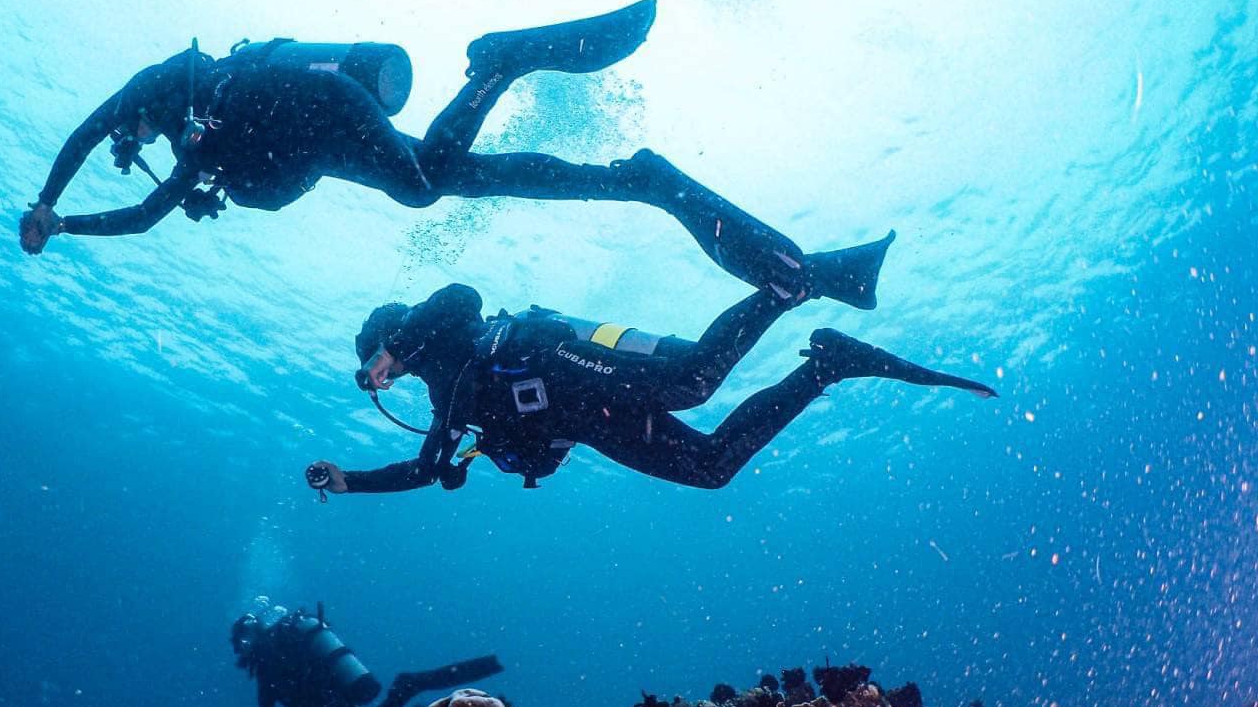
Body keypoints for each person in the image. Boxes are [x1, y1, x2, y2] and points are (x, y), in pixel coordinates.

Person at [17, 0, 891, 313]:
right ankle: (642, 182)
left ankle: (503, 61)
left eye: (125, 138)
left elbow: (87, 138)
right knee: (459, 176)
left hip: (324, 107)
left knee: (427, 188)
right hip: (324, 140)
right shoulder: (185, 146)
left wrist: (49, 203)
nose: (125, 146)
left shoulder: (161, 87)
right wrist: (70, 226)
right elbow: (142, 213)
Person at [303, 282, 996, 494]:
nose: (384, 380)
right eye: (377, 375)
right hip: (593, 420)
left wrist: (398, 342)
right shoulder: (444, 393)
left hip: (571, 361)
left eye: (381, 366)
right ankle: (827, 364)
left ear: (396, 340)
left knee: (696, 377)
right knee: (710, 468)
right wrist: (349, 480)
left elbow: (462, 292)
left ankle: (789, 285)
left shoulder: (453, 328)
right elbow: (428, 467)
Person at [230, 598, 503, 707]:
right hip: (329, 699)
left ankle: (407, 693)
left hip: (325, 704)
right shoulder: (280, 649)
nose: (242, 649)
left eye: (241, 643)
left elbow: (268, 706)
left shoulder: (266, 660)